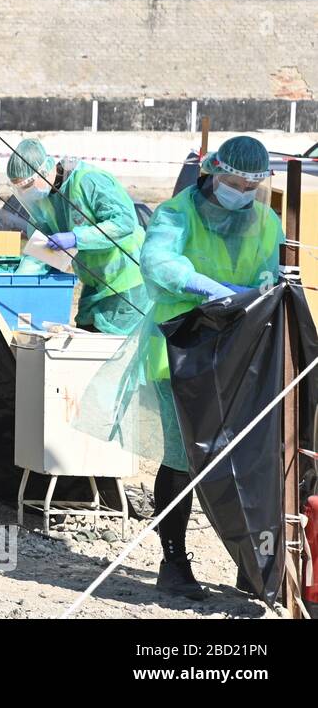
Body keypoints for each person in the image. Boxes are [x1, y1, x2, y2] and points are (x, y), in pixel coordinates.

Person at [137, 135, 280, 600]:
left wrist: (256, 292)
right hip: (182, 348)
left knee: (243, 458)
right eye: (234, 182)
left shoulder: (265, 219)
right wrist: (208, 288)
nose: (241, 192)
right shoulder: (178, 214)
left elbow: (276, 271)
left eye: (250, 185)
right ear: (213, 173)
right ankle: (173, 561)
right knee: (183, 458)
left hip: (242, 350)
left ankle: (248, 563)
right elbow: (158, 262)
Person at [8, 138, 148, 334]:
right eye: (20, 189)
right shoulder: (47, 197)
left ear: (45, 168)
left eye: (27, 185)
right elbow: (42, 244)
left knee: (114, 351)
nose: (27, 192)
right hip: (94, 282)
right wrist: (19, 281)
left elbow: (124, 222)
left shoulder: (88, 180)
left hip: (127, 280)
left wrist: (76, 238)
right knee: (84, 337)